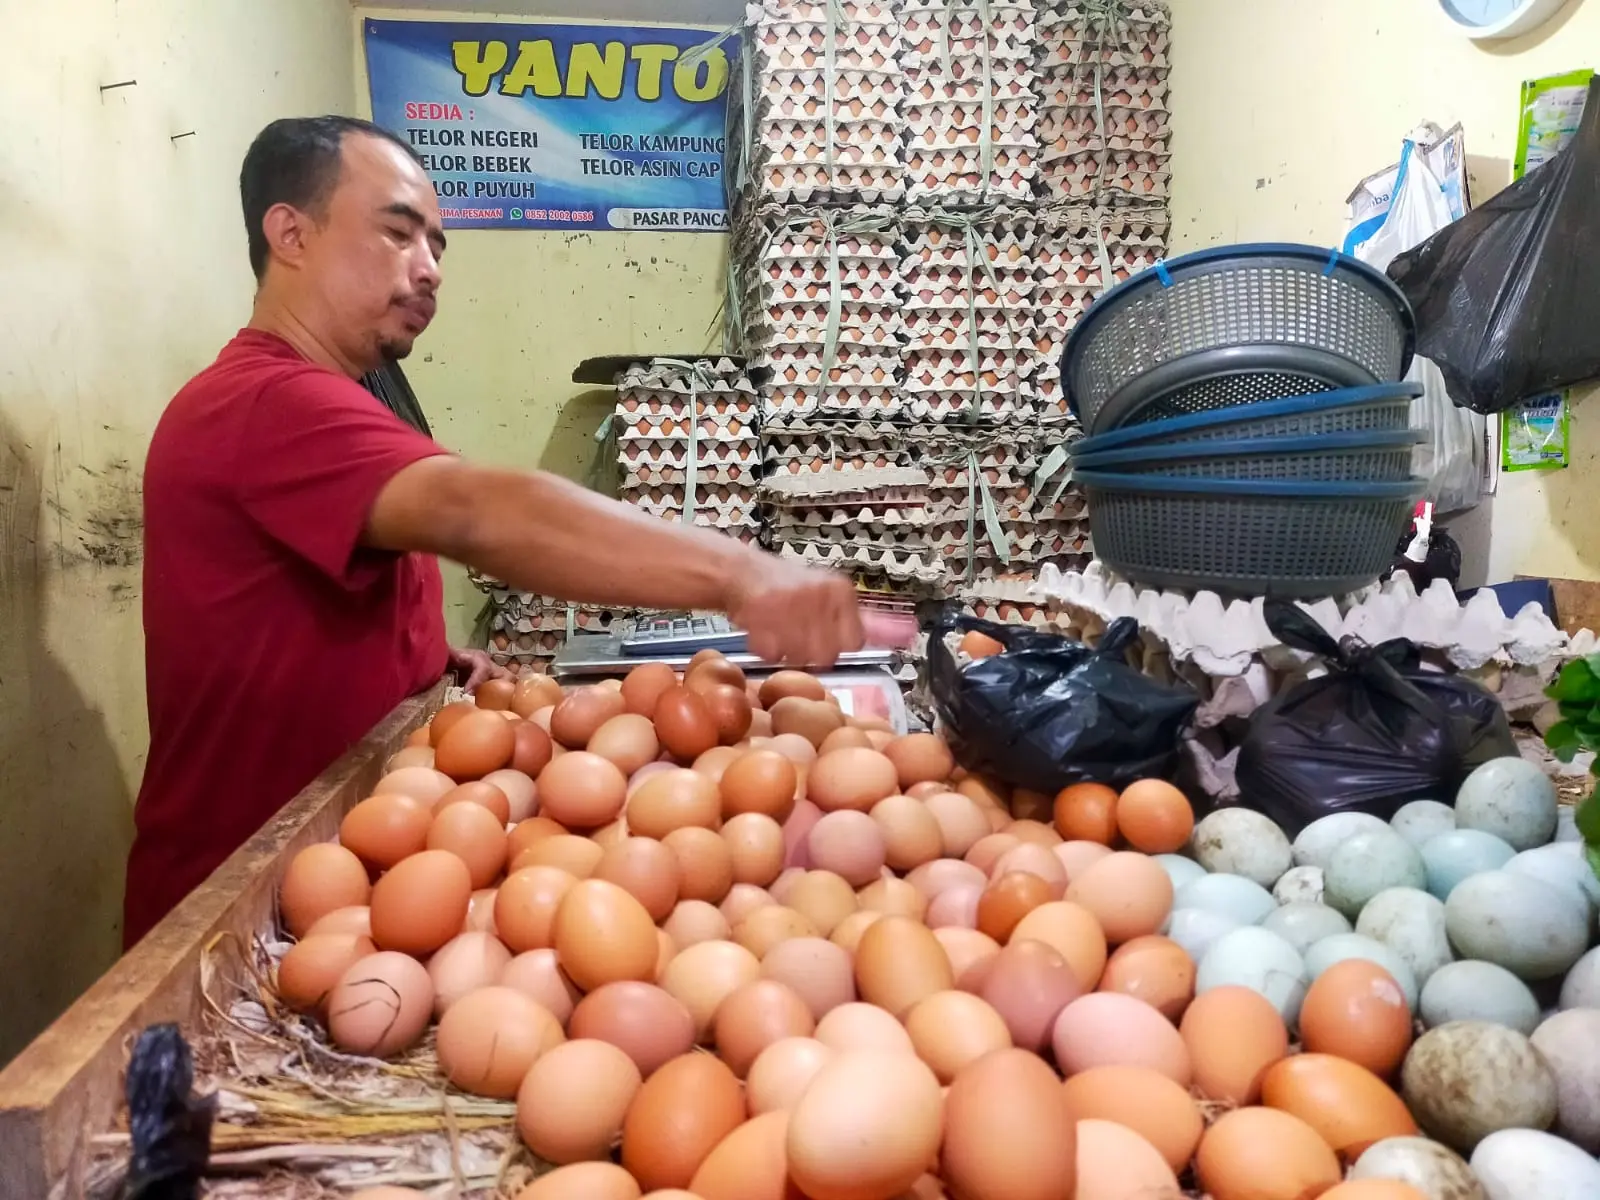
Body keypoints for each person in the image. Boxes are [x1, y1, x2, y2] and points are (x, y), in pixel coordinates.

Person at [123, 115, 865, 950]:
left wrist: (426, 667)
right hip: (235, 920)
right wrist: (741, 574)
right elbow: (479, 510)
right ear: (290, 233)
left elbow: (302, 599)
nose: (429, 268)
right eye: (398, 233)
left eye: (437, 245)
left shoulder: (336, 399)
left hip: (330, 881)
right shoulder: (270, 402)